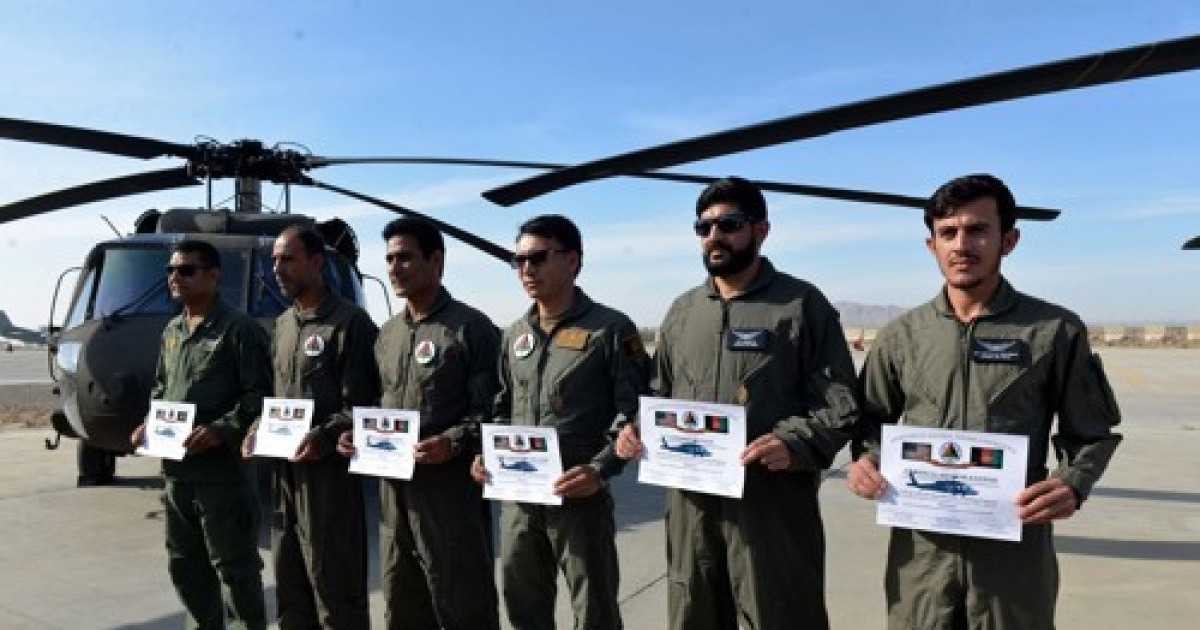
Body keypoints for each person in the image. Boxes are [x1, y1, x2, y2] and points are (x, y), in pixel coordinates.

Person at [845, 174, 1123, 629]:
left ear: (1008, 240)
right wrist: (865, 461)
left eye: (978, 230)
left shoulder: (1053, 331)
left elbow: (1090, 433)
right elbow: (869, 422)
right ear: (931, 245)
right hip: (921, 555)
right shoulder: (901, 337)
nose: (961, 244)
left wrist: (1073, 482)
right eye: (948, 233)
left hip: (1011, 555)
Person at [614, 176, 859, 630]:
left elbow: (839, 404)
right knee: (694, 611)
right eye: (703, 227)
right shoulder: (684, 310)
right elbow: (656, 394)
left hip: (769, 505)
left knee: (779, 611)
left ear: (760, 230)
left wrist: (794, 443)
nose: (714, 237)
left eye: (729, 224)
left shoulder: (801, 305)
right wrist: (634, 429)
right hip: (692, 506)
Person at [471, 214, 651, 630]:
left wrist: (602, 469)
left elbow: (636, 411)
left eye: (537, 258)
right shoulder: (515, 334)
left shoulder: (610, 329)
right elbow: (502, 407)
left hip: (579, 498)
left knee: (595, 612)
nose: (526, 270)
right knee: (523, 608)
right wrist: (486, 453)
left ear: (572, 261)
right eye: (518, 262)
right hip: (519, 502)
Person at [336, 217, 501, 629]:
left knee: (463, 602)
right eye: (390, 258)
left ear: (436, 260)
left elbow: (496, 413)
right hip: (394, 497)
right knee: (402, 603)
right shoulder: (387, 335)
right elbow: (373, 402)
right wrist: (355, 434)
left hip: (449, 496)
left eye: (405, 257)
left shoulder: (471, 329)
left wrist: (454, 441)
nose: (394, 267)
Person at [130, 239, 271, 630]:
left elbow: (260, 395)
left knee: (235, 574)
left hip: (222, 477)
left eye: (187, 270)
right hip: (177, 476)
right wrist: (148, 424)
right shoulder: (172, 331)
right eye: (171, 271)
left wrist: (220, 430)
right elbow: (161, 388)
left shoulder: (239, 330)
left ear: (214, 276)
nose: (176, 278)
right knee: (185, 567)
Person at [245, 225, 380, 629]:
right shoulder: (284, 325)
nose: (276, 269)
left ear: (317, 262)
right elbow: (275, 396)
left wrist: (322, 436)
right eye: (274, 261)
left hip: (330, 479)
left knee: (336, 589)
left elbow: (363, 403)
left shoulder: (350, 323)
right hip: (285, 476)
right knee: (290, 586)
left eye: (287, 259)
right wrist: (257, 427)